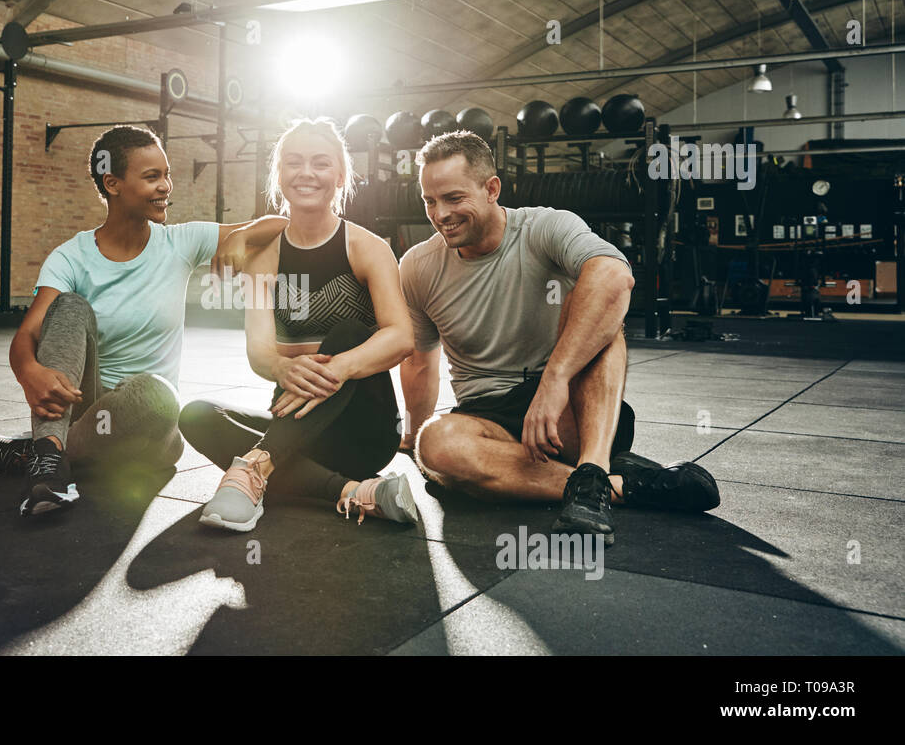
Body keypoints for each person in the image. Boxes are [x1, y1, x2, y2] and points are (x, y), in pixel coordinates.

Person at [399, 130, 719, 544]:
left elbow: (615, 277)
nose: (440, 213)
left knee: (597, 304)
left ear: (492, 188)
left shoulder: (545, 227)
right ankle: (607, 485)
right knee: (437, 444)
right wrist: (412, 438)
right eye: (429, 201)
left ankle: (590, 463)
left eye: (454, 198)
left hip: (569, 412)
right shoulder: (418, 266)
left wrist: (555, 380)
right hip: (489, 422)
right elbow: (419, 361)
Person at [4, 125, 291, 516]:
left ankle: (40, 453)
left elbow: (282, 225)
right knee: (69, 307)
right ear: (113, 183)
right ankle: (52, 466)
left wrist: (240, 238)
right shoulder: (71, 256)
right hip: (87, 409)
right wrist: (29, 371)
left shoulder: (180, 242)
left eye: (167, 174)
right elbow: (27, 336)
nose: (166, 186)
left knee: (156, 395)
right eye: (152, 176)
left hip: (151, 428)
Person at [178, 118, 418, 533]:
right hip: (294, 426)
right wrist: (281, 368)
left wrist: (338, 366)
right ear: (279, 174)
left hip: (364, 431)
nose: (306, 173)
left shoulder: (367, 248)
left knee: (349, 334)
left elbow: (401, 337)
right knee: (196, 415)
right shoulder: (263, 258)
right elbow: (259, 351)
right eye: (294, 162)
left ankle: (257, 465)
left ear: (340, 176)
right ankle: (352, 493)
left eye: (320, 163)